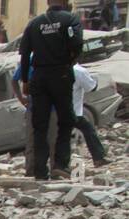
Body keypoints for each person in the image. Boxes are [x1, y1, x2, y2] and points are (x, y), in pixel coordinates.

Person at [19, 0, 84, 179]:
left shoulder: (34, 23)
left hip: (39, 77)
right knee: (66, 119)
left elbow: (24, 54)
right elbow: (77, 45)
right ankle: (61, 164)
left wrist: (25, 80)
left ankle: (40, 170)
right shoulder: (70, 19)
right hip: (61, 74)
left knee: (40, 125)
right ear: (64, 2)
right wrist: (68, 61)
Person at [72, 62, 107, 166]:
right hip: (73, 110)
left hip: (56, 110)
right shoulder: (79, 71)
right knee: (89, 131)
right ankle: (98, 158)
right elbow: (92, 87)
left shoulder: (56, 67)